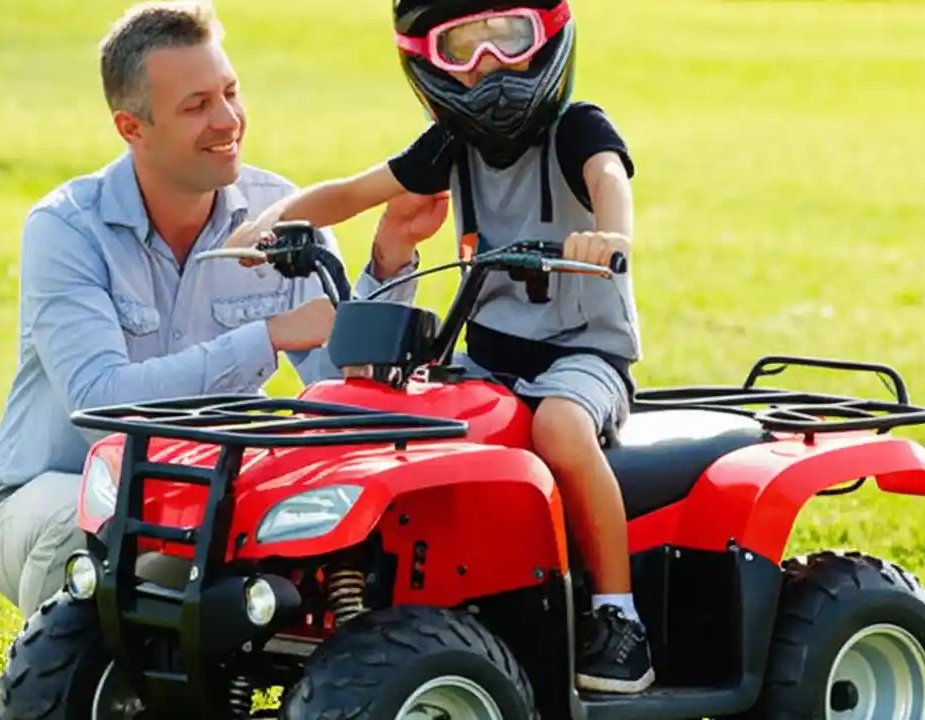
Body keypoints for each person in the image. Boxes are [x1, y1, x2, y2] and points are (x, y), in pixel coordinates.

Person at [226, 0, 652, 694]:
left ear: (546, 35)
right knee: (397, 427)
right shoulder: (451, 144)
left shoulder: (577, 128)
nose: (488, 66)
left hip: (582, 359)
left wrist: (612, 236)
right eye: (464, 47)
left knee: (561, 429)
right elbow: (354, 191)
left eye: (507, 39)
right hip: (484, 362)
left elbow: (610, 177)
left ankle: (617, 613)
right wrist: (273, 221)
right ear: (427, 58)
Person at [0, 0, 447, 621]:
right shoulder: (67, 229)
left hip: (210, 495)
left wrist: (390, 258)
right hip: (53, 492)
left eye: (230, 92)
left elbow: (344, 391)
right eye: (196, 106)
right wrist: (266, 337)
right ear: (131, 128)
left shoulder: (282, 214)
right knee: (96, 525)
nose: (227, 120)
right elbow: (103, 407)